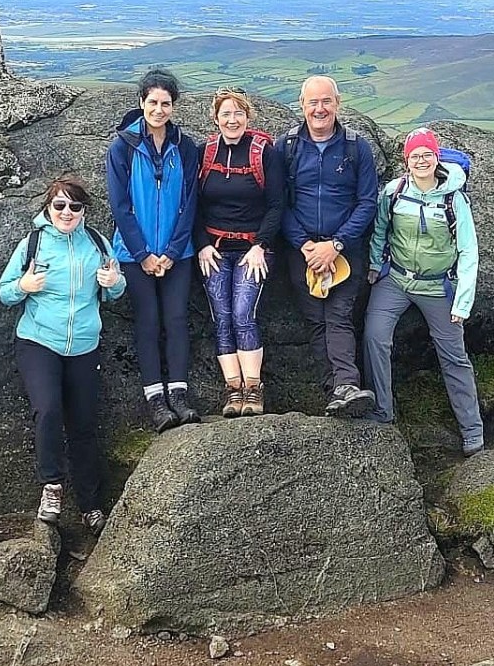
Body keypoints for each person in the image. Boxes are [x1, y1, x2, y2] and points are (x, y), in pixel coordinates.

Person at [0, 174, 125, 532]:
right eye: (60, 205)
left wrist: (114, 283)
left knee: (84, 424)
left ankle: (91, 505)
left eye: (74, 206)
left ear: (84, 210)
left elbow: (118, 289)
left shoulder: (97, 243)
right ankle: (51, 486)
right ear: (48, 208)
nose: (67, 212)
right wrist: (24, 285)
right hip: (39, 342)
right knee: (49, 409)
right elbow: (4, 292)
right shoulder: (34, 243)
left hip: (84, 345)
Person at [362, 127, 484, 454]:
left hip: (438, 286)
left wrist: (463, 301)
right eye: (415, 155)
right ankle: (382, 411)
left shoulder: (453, 198)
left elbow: (469, 251)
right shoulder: (394, 192)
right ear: (407, 160)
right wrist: (375, 265)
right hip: (397, 280)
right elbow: (380, 230)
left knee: (454, 358)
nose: (421, 160)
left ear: (436, 157)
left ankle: (473, 431)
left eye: (427, 154)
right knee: (374, 337)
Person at [106, 68, 201, 432]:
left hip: (178, 253)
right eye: (153, 102)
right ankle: (156, 400)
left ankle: (179, 394)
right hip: (134, 254)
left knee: (176, 320)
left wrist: (173, 251)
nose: (159, 109)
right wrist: (143, 253)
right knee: (148, 322)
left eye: (166, 103)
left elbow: (190, 202)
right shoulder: (123, 147)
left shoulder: (185, 147)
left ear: (174, 106)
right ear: (141, 102)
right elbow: (120, 205)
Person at [279, 75, 379, 415]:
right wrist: (305, 245)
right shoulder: (287, 147)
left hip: (345, 250)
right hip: (302, 252)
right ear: (302, 105)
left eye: (326, 101)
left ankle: (347, 384)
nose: (319, 109)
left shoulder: (356, 147)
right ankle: (337, 390)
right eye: (313, 102)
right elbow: (279, 204)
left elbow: (367, 202)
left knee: (338, 315)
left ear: (337, 103)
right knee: (316, 321)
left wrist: (335, 244)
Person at [194, 88, 285, 417]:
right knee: (222, 319)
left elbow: (277, 205)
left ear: (248, 117)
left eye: (238, 114)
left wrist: (260, 245)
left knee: (244, 315)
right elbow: (193, 205)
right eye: (225, 114)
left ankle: (253, 388)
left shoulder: (264, 153)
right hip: (214, 250)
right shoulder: (204, 152)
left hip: (252, 251)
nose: (232, 120)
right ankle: (233, 391)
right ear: (215, 118)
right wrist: (201, 244)